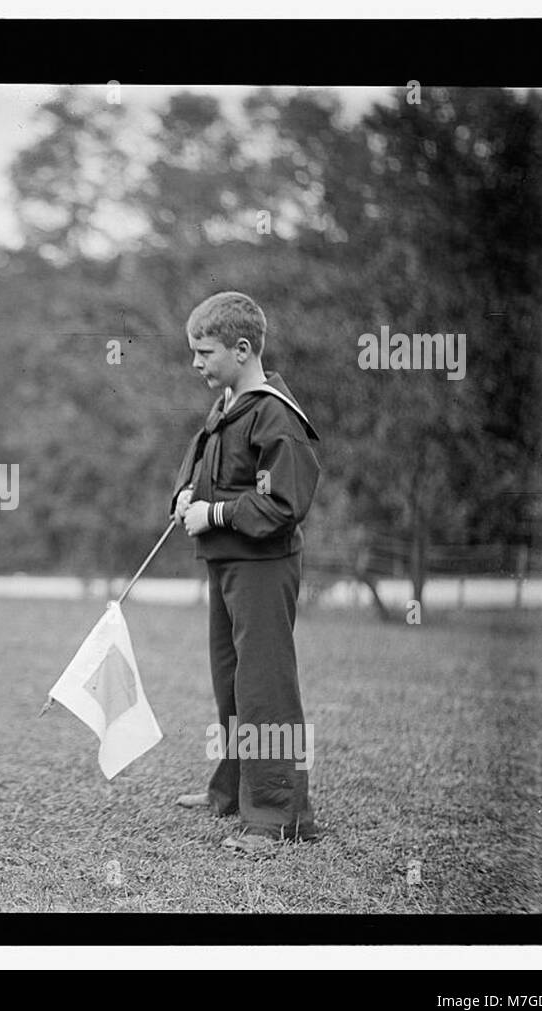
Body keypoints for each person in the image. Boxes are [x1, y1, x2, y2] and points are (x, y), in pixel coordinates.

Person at [169, 291, 322, 853]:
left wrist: (215, 512)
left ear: (241, 348)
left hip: (262, 568)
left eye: (204, 352)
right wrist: (187, 496)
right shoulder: (229, 405)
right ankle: (230, 792)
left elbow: (285, 503)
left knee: (265, 689)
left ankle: (279, 815)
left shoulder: (273, 411)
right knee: (230, 682)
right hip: (227, 565)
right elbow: (205, 465)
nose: (196, 363)